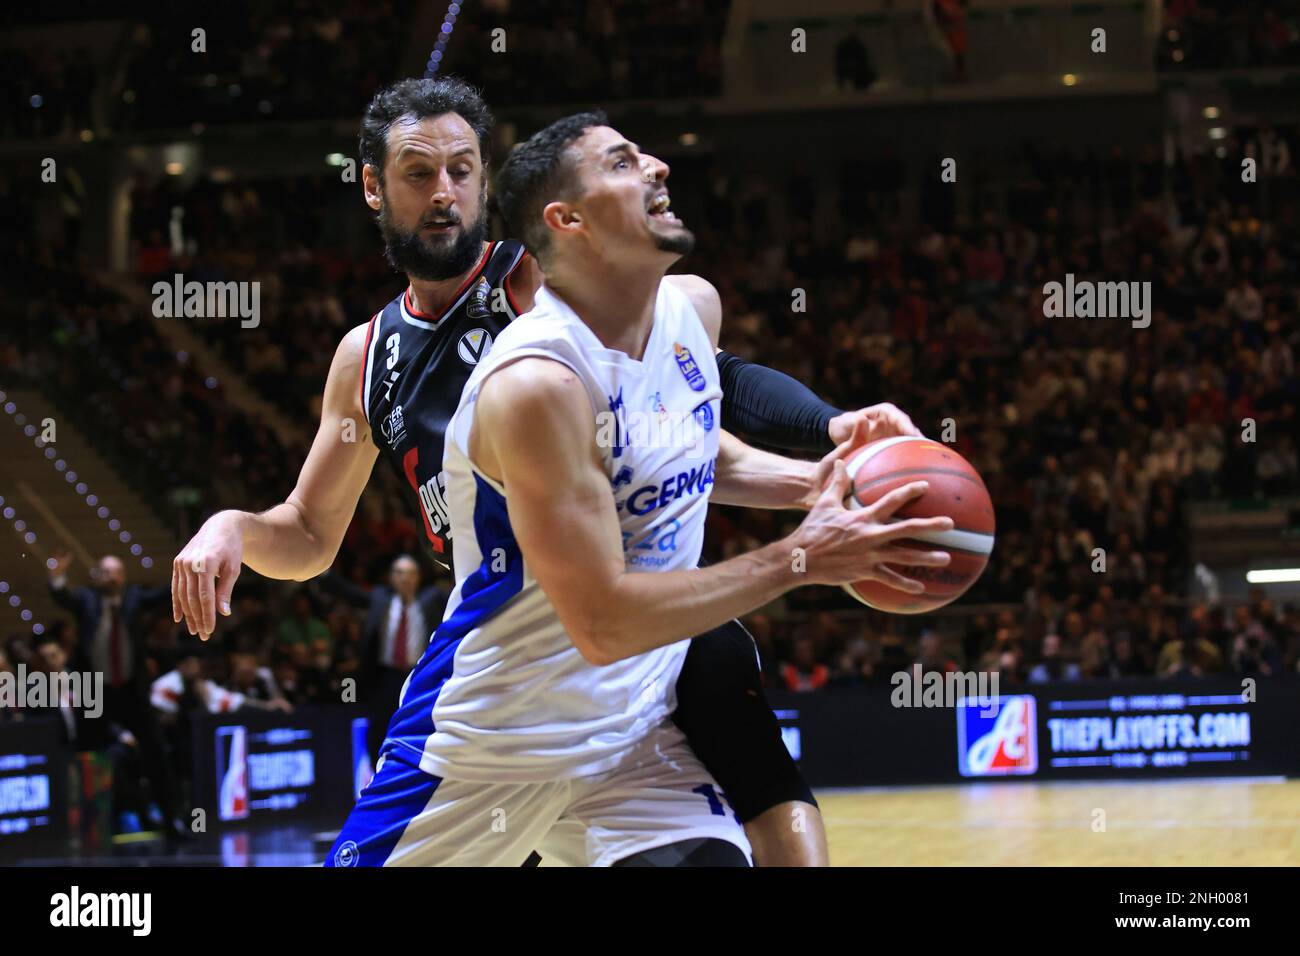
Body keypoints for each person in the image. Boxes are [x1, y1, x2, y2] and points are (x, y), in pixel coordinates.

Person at [172, 77, 927, 866]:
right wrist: (233, 527)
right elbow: (309, 534)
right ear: (371, 186)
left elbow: (698, 385)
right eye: (419, 174)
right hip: (508, 673)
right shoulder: (369, 358)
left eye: (464, 171)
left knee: (718, 665)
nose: (445, 194)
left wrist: (822, 443)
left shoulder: (546, 287)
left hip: (631, 653)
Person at [48, 551, 182, 839]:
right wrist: (57, 576)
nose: (110, 576)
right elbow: (63, 598)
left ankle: (173, 821)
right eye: (105, 571)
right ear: (97, 576)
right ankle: (92, 827)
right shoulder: (86, 599)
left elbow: (161, 595)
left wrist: (189, 568)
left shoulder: (134, 597)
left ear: (123, 576)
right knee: (91, 756)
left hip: (131, 691)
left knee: (156, 752)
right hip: (96, 691)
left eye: (115, 571)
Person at [322, 555, 448, 764]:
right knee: (379, 728)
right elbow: (349, 593)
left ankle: (425, 772)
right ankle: (376, 775)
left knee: (425, 726)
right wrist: (320, 571)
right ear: (392, 577)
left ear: (417, 577)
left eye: (409, 573)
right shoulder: (381, 598)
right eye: (399, 573)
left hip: (421, 676)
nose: (404, 579)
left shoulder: (432, 599)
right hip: (385, 677)